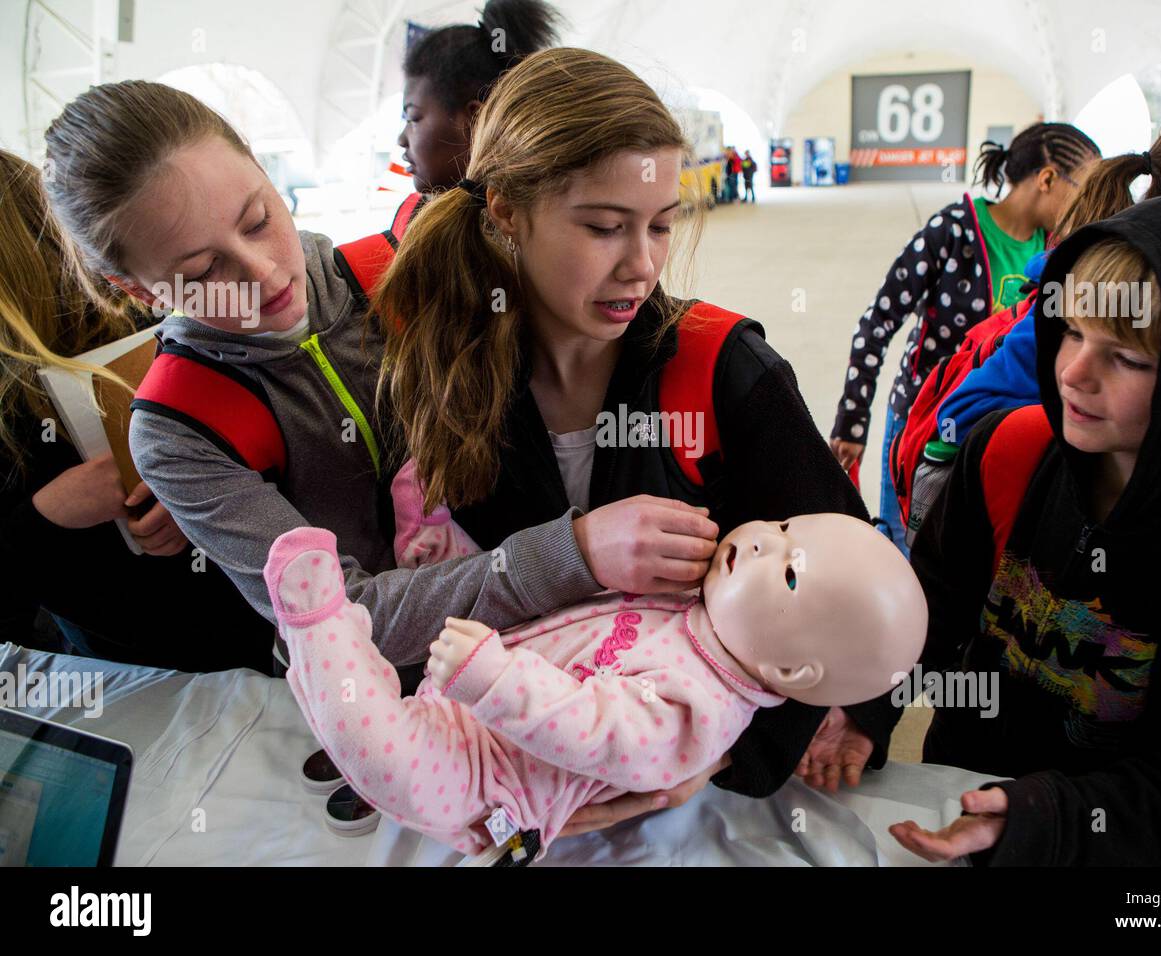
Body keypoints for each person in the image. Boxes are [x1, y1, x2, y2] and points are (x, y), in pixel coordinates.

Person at [41, 80, 714, 696]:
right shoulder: (178, 429)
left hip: (574, 652)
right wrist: (575, 552)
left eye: (256, 219)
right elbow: (343, 619)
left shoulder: (407, 261)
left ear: (259, 164)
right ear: (133, 289)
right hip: (390, 706)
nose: (264, 272)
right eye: (204, 268)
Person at [371, 47, 882, 806]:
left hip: (692, 779)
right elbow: (384, 615)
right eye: (605, 227)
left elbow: (849, 583)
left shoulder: (727, 372)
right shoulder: (440, 371)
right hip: (518, 772)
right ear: (507, 210)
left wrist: (712, 761)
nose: (641, 266)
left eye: (662, 227)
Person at [884, 192, 1161, 865]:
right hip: (952, 800)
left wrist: (1045, 820)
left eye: (1127, 358)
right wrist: (862, 707)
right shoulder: (1006, 451)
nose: (1073, 372)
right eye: (1070, 331)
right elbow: (924, 610)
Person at [260, 508, 925, 858]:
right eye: (781, 530)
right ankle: (337, 649)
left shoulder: (702, 712)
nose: (759, 546)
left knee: (380, 751)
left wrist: (497, 680)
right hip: (468, 709)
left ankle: (319, 623)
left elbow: (602, 732)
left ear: (788, 671)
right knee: (383, 710)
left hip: (488, 784)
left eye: (786, 574)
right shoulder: (707, 613)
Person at [0, 149, 273, 671]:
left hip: (238, 628)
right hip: (113, 663)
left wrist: (186, 486)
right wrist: (44, 517)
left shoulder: (134, 321)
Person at [937, 87, 1161, 464]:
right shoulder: (1106, 287)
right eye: (1132, 360)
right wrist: (1121, 458)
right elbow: (962, 418)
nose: (1077, 373)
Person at [829, 123, 1100, 556]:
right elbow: (876, 322)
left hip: (990, 435)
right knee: (903, 547)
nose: (1090, 204)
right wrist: (852, 421)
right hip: (923, 423)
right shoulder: (953, 231)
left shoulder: (1055, 251)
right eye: (1086, 188)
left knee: (958, 557)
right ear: (1047, 179)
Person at [398, 0, 562, 194]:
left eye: (413, 118)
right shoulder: (535, 213)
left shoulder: (520, 219)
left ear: (476, 121)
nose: (401, 139)